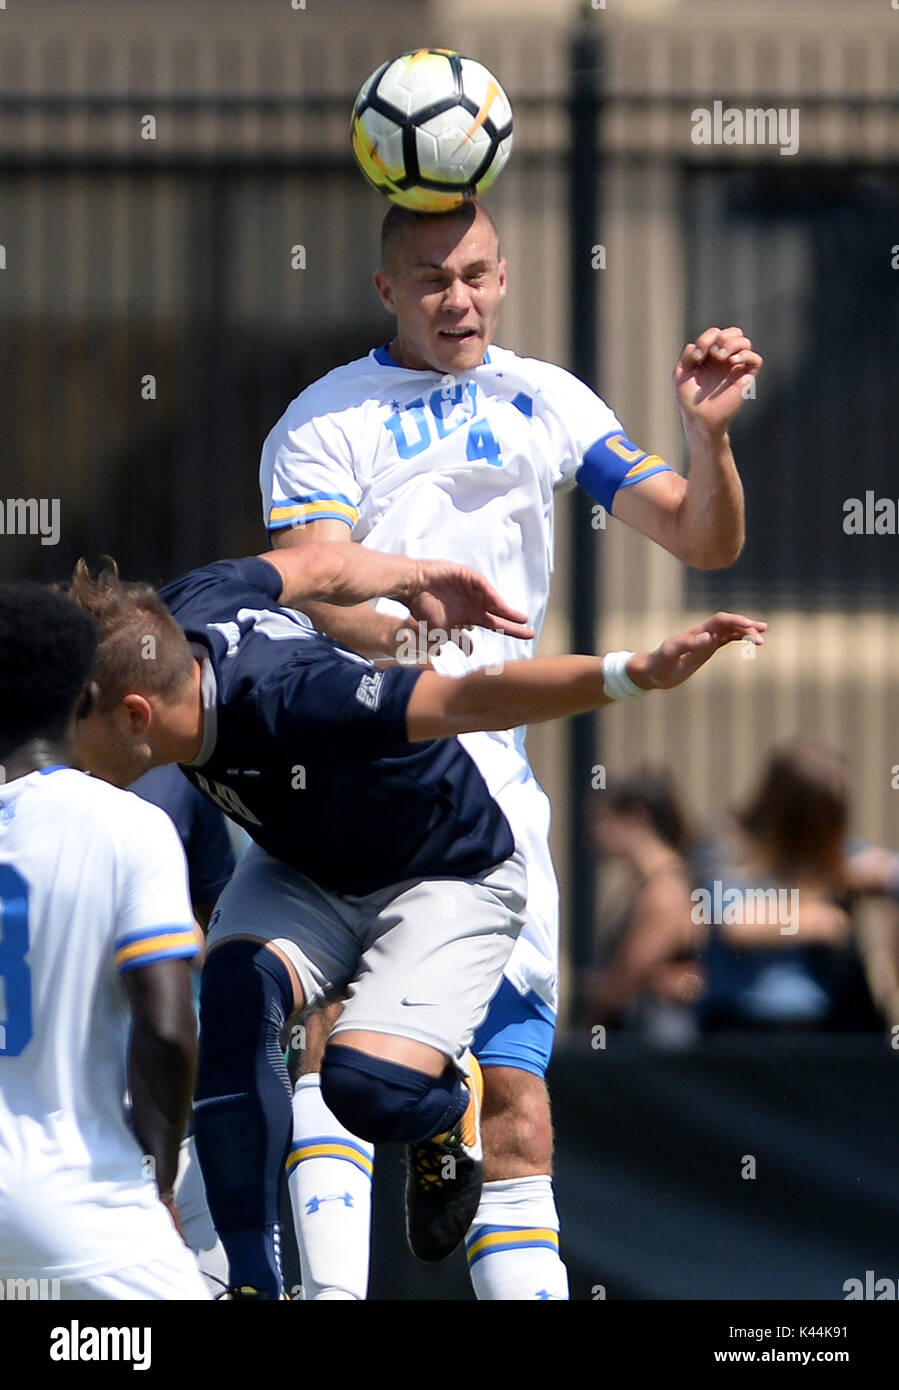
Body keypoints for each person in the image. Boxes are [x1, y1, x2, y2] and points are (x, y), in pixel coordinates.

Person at [259, 197, 763, 1298]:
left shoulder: (545, 399)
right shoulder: (322, 418)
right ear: (386, 290)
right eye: (432, 279)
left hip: (493, 790)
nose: (460, 299)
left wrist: (707, 435)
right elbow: (320, 590)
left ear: (504, 274)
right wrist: (412, 623)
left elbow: (702, 537)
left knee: (520, 1104)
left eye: (478, 274)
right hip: (364, 761)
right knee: (337, 1046)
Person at [66, 537, 765, 1297]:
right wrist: (414, 575)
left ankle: (444, 1111)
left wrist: (634, 673)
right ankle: (252, 1279)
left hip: (443, 871)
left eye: (74, 720)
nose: (61, 744)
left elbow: (473, 697)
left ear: (136, 713)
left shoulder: (292, 698)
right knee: (235, 991)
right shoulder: (184, 607)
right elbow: (313, 567)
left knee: (364, 1090)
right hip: (306, 864)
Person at [0, 583, 209, 1300]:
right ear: (87, 699)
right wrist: (159, 1176)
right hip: (85, 1215)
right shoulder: (128, 826)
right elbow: (167, 1026)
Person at [695, 742, 861, 1032]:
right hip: (738, 1026)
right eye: (828, 812)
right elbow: (736, 923)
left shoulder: (831, 857)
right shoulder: (726, 848)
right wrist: (817, 919)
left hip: (818, 1026)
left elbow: (883, 869)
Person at [580, 767, 701, 1043]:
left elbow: (621, 984)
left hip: (653, 1047)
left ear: (636, 817)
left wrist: (592, 994)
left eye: (602, 820)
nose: (593, 833)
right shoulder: (654, 883)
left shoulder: (663, 891)